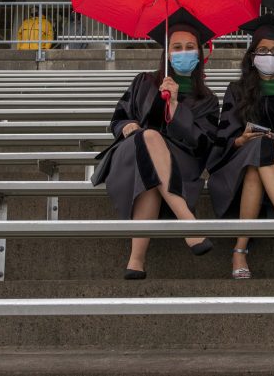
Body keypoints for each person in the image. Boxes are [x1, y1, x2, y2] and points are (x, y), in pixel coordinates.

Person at [91, 17, 219, 279]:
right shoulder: (144, 82)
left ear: (200, 52)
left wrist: (174, 106)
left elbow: (203, 144)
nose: (183, 53)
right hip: (133, 152)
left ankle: (136, 261)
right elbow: (118, 119)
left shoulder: (207, 99)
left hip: (180, 161)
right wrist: (126, 126)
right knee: (148, 138)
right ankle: (189, 224)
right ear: (167, 53)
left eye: (189, 47)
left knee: (149, 178)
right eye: (177, 47)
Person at [208, 15, 274, 279]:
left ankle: (240, 250)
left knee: (260, 156)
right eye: (263, 50)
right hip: (237, 160)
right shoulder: (236, 90)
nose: (269, 55)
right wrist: (241, 140)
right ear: (252, 54)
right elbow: (225, 138)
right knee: (256, 150)